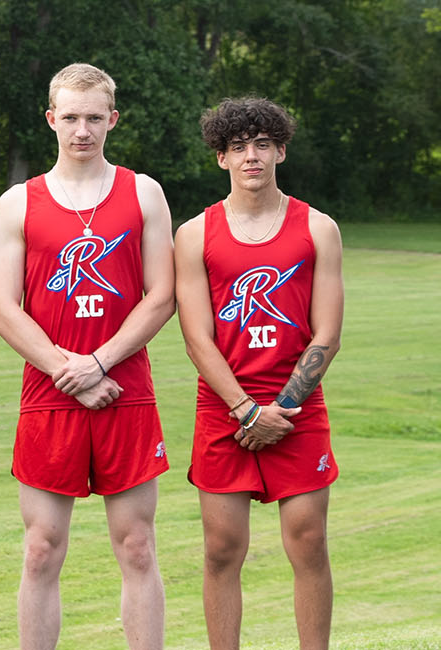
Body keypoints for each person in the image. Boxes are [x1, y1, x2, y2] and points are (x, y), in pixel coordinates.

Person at [0, 63, 176, 650]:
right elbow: (2, 307)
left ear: (112, 120)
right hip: (49, 394)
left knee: (137, 545)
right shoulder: (20, 201)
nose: (82, 129)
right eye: (70, 117)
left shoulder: (142, 192)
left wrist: (99, 362)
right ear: (51, 119)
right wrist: (68, 370)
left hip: (125, 389)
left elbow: (161, 295)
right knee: (42, 547)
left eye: (94, 118)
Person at [176, 97, 342, 650]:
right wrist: (246, 410)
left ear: (281, 151)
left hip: (298, 407)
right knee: (222, 549)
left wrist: (280, 410)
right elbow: (197, 337)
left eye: (263, 144)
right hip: (225, 409)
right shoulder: (195, 234)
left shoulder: (318, 228)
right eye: (239, 147)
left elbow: (326, 335)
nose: (252, 156)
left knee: (310, 541)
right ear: (221, 158)